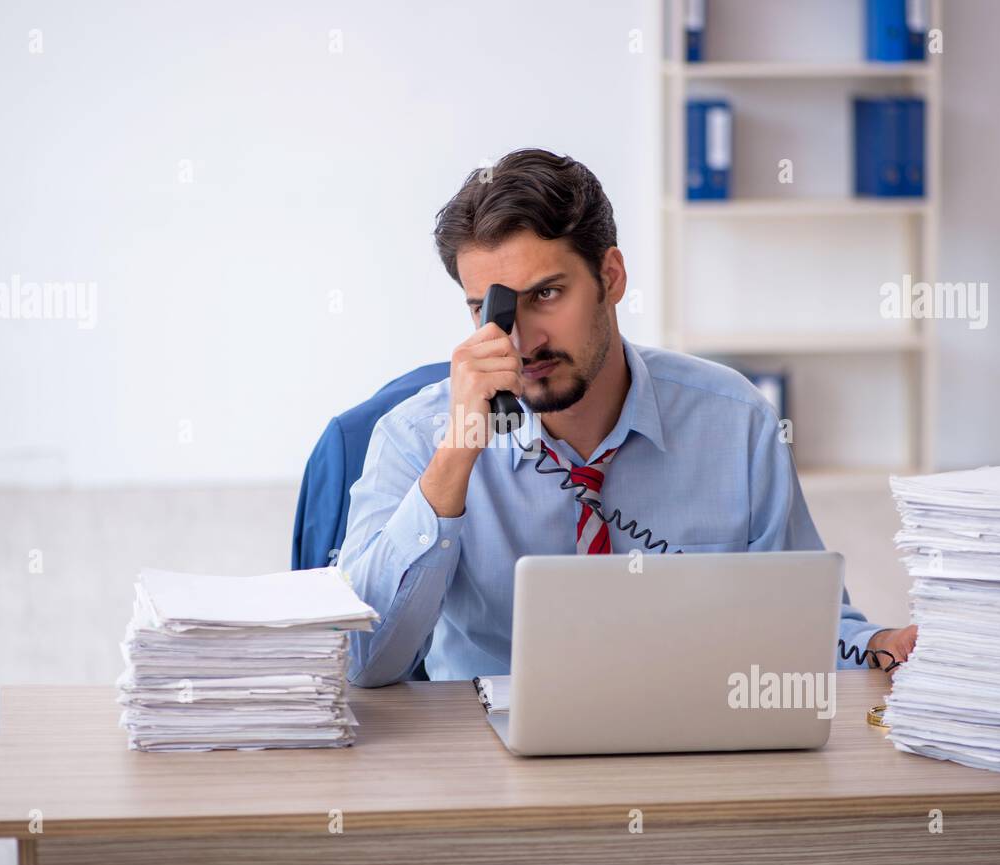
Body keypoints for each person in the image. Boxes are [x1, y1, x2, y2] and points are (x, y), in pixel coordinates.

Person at [337, 148, 918, 687]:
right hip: (487, 759)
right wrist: (456, 459)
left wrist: (883, 645)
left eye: (545, 295)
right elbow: (365, 664)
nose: (523, 340)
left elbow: (804, 627)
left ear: (610, 278)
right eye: (489, 308)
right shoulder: (416, 435)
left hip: (692, 741)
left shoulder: (735, 424)